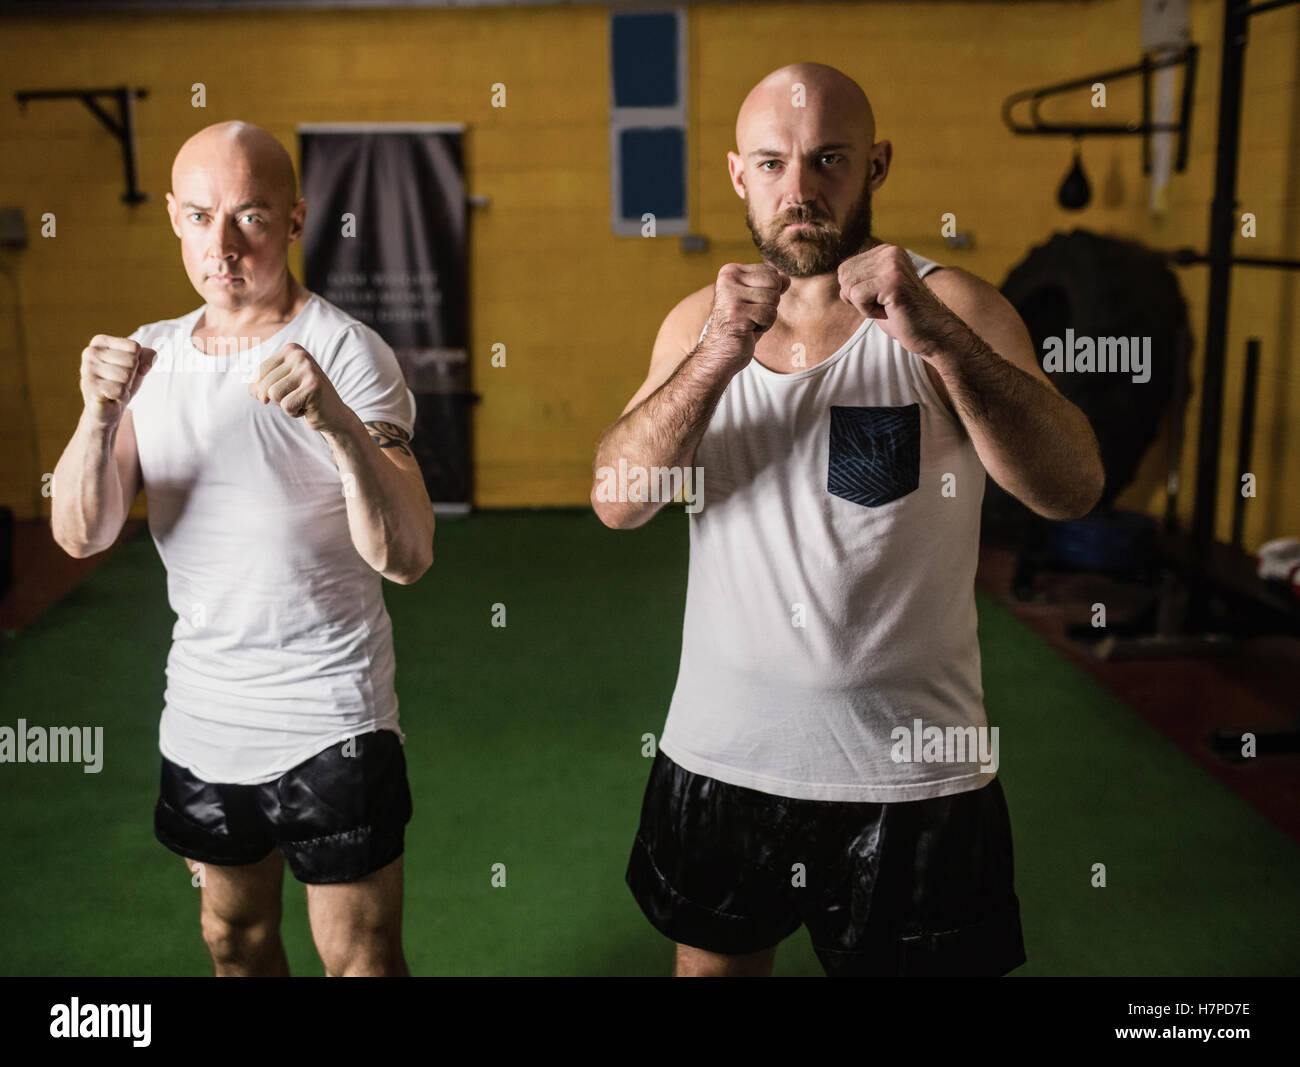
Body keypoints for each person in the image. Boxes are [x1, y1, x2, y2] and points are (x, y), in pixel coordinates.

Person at [592, 63, 1105, 977]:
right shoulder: (695, 326)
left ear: (877, 165)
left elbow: (1071, 487)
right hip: (722, 758)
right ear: (737, 175)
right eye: (773, 162)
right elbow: (618, 500)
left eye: (829, 158)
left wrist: (936, 337)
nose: (801, 189)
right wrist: (717, 354)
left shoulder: (957, 308)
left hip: (914, 773)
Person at [51, 121, 434, 977]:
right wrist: (97, 415)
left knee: (360, 960)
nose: (222, 245)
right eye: (199, 217)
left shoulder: (347, 351)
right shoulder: (146, 357)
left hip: (331, 715)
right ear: (174, 221)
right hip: (202, 718)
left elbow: (407, 554)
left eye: (250, 217)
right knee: (234, 941)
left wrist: (336, 418)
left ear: (295, 219)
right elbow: (83, 533)